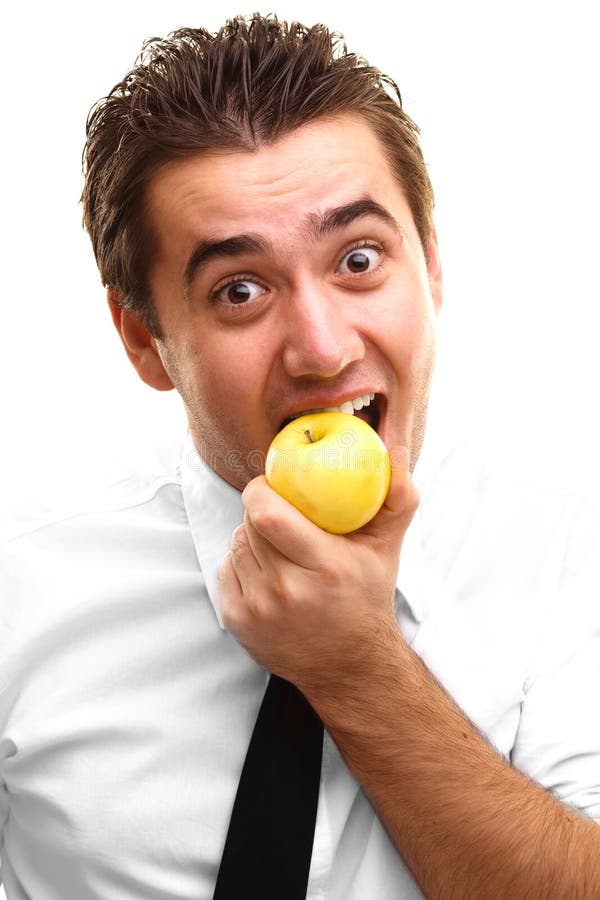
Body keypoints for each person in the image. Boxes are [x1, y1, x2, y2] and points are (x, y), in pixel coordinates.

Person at [1, 12, 599, 898]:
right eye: (239, 290)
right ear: (143, 339)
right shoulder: (22, 575)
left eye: (359, 259)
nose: (321, 348)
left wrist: (356, 668)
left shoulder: (567, 550)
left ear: (430, 269)